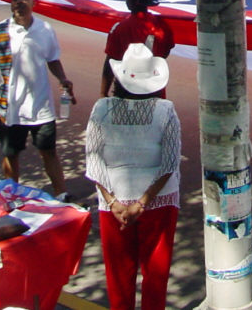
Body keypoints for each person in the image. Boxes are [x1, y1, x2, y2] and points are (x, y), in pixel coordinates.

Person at [86, 43, 181, 310]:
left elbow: (93, 160)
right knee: (155, 276)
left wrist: (113, 202)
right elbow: (170, 163)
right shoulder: (165, 111)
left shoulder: (101, 109)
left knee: (118, 276)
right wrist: (142, 203)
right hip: (158, 203)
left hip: (113, 203)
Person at [0, 0, 76, 199]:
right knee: (10, 153)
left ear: (33, 3)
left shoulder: (45, 30)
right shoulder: (0, 31)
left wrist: (63, 79)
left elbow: (53, 59)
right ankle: (11, 195)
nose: (19, 2)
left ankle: (61, 194)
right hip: (9, 108)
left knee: (48, 151)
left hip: (40, 107)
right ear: (11, 3)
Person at [101, 0, 174, 98]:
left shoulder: (119, 28)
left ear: (129, 2)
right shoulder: (162, 26)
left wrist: (103, 92)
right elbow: (165, 53)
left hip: (125, 89)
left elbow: (110, 62)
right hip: (154, 88)